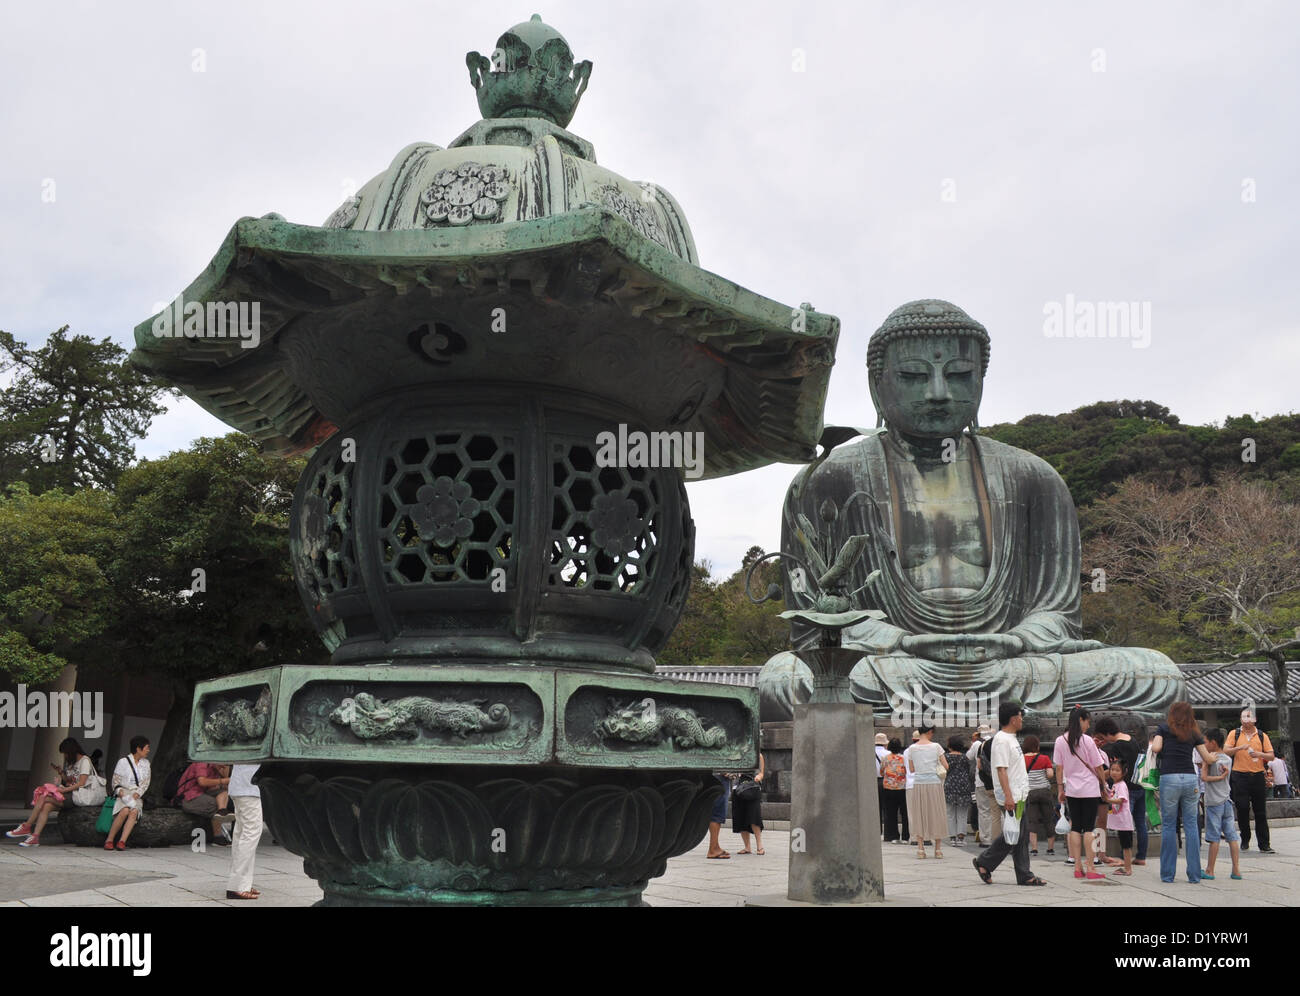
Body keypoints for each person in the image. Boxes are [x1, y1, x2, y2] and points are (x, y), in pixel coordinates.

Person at [973, 701, 1045, 886]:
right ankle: (985, 861)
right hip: (1012, 796)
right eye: (1020, 715)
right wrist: (1009, 797)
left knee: (1019, 835)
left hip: (1020, 794)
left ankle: (1022, 874)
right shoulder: (1002, 740)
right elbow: (1001, 770)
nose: (1022, 719)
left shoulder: (1011, 738)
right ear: (1013, 718)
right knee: (1014, 835)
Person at [1150, 700, 1215, 884]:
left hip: (1169, 778)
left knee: (1169, 826)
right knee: (1191, 826)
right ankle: (1194, 875)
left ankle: (1168, 875)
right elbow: (1208, 758)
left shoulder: (1163, 729)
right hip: (1189, 779)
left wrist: (1154, 740)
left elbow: (1156, 748)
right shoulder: (1193, 732)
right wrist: (1216, 756)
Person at [6, 737, 103, 847]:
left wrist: (63, 790)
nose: (65, 756)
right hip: (70, 795)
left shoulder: (84, 761)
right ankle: (35, 837)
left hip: (80, 796)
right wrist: (61, 773)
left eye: (65, 753)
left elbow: (81, 783)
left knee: (44, 797)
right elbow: (70, 781)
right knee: (46, 806)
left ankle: (27, 826)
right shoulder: (72, 763)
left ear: (71, 751)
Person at [1053, 705, 1113, 881]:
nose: (1088, 725)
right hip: (1089, 789)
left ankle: (1077, 866)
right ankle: (1091, 866)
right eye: (1087, 721)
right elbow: (1099, 767)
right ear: (1081, 720)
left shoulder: (1060, 741)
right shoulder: (1087, 741)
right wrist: (1103, 785)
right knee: (1088, 828)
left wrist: (1060, 790)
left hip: (1072, 789)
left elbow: (1059, 768)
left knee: (1075, 827)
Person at [1095, 717, 1147, 865]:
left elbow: (1113, 770)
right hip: (1140, 786)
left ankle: (1125, 858)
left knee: (1124, 825)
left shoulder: (1116, 747)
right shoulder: (1133, 740)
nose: (1103, 740)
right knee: (1140, 822)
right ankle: (1141, 856)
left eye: (1102, 737)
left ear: (1106, 733)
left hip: (1125, 789)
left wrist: (1098, 778)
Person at [1225, 708, 1274, 853]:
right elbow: (1226, 750)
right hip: (1239, 775)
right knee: (1242, 807)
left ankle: (1264, 844)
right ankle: (1245, 838)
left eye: (1248, 717)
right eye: (1243, 717)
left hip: (1258, 775)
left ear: (1254, 719)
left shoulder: (1261, 735)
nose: (1246, 720)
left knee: (1260, 811)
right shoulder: (1235, 733)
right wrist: (1240, 747)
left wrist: (1259, 754)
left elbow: (1271, 756)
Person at [1200, 728, 1242, 881]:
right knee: (1231, 836)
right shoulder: (1228, 759)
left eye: (1205, 742)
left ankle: (1210, 870)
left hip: (1213, 802)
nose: (1204, 745)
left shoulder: (1211, 759)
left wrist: (1205, 763)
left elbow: (1204, 777)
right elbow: (1223, 776)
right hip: (1227, 801)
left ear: (1213, 742)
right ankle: (1236, 870)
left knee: (1214, 837)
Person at [103, 736, 151, 850]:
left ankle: (122, 841)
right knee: (124, 811)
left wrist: (137, 794)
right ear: (138, 749)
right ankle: (109, 840)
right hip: (123, 792)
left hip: (136, 794)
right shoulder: (123, 762)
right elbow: (115, 782)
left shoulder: (146, 764)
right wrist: (122, 794)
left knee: (134, 811)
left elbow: (146, 782)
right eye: (147, 748)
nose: (148, 750)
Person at [907, 725, 948, 858]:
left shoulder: (912, 748)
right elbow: (946, 766)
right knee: (937, 813)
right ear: (930, 732)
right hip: (934, 783)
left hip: (919, 783)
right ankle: (938, 849)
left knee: (919, 814)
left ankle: (920, 849)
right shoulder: (936, 746)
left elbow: (912, 769)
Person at [226, 764, 264, 900]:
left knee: (241, 835)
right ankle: (237, 886)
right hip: (249, 788)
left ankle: (243, 884)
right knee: (250, 835)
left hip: (239, 787)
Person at [177, 761, 233, 845]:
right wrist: (223, 780)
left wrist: (223, 775)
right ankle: (218, 837)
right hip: (189, 796)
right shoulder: (202, 763)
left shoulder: (215, 769)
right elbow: (202, 781)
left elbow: (219, 787)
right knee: (213, 803)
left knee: (223, 793)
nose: (224, 767)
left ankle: (221, 811)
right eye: (223, 764)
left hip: (202, 793)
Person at [1022, 735, 1056, 856]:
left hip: (1030, 793)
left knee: (1032, 821)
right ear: (1037, 746)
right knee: (1048, 820)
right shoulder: (1044, 758)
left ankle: (1034, 849)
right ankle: (1050, 848)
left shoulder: (1021, 759)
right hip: (1044, 792)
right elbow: (1050, 774)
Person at [1104, 758, 1134, 876]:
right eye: (1112, 769)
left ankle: (1128, 869)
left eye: (1117, 770)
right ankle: (1127, 867)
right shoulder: (1116, 785)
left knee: (1126, 846)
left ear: (1124, 772)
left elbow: (1121, 800)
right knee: (1124, 845)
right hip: (1121, 821)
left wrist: (1108, 799)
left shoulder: (1121, 785)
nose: (1114, 772)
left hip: (1124, 821)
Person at [943, 735, 973, 846]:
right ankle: (961, 837)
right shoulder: (965, 758)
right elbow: (969, 772)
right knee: (962, 813)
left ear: (950, 746)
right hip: (963, 786)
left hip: (950, 785)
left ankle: (952, 837)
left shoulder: (946, 757)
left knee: (950, 813)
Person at [733, 753, 765, 855]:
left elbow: (761, 773)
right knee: (740, 817)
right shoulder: (734, 754)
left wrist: (759, 776)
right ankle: (747, 847)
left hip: (752, 787)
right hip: (738, 788)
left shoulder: (757, 755)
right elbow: (732, 771)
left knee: (754, 816)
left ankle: (760, 846)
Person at [968, 725, 993, 844]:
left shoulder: (977, 744)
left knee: (984, 811)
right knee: (999, 811)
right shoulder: (996, 741)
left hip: (981, 781)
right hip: (997, 781)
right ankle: (999, 837)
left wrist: (973, 742)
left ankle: (986, 839)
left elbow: (968, 757)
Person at [881, 738, 909, 843]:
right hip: (902, 787)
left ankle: (893, 836)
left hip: (889, 788)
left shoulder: (885, 758)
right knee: (905, 813)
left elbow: (882, 771)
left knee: (891, 813)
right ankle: (906, 836)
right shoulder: (903, 758)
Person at [706, 773, 730, 859]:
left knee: (716, 812)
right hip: (720, 777)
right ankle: (712, 850)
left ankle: (716, 846)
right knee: (717, 813)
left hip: (717, 776)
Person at [903, 729, 920, 843]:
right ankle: (926, 837)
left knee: (912, 812)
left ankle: (914, 837)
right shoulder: (928, 748)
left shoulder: (906, 751)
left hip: (910, 783)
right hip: (924, 782)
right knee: (924, 812)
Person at [875, 732, 890, 833]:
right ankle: (888, 831)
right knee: (887, 807)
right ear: (885, 743)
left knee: (875, 807)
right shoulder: (888, 754)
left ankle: (877, 829)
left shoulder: (867, 752)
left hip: (872, 782)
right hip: (885, 780)